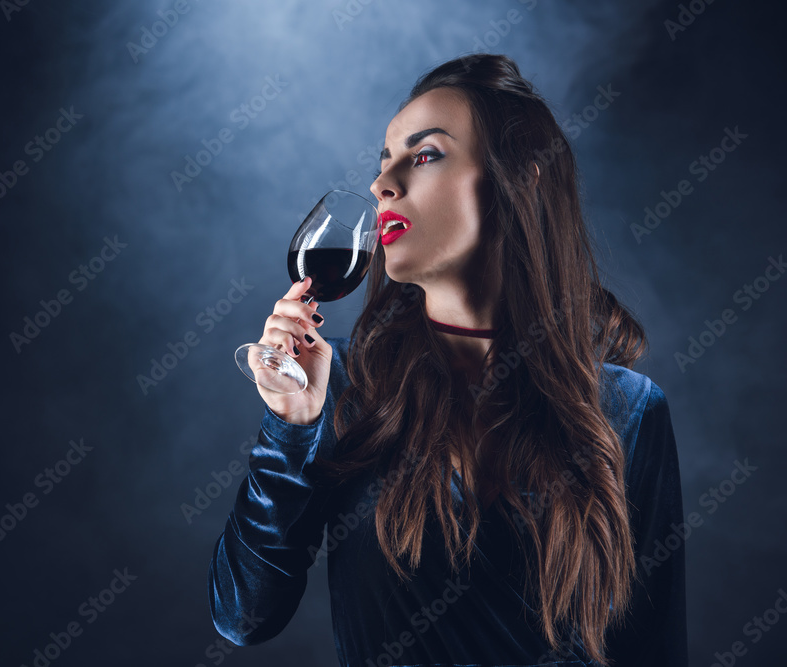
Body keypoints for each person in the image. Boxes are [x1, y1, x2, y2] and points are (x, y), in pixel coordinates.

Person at [208, 53, 687, 667]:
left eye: (425, 154)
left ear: (523, 179)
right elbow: (243, 617)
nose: (383, 184)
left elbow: (654, 649)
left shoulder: (628, 408)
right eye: (384, 161)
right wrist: (290, 428)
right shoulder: (342, 389)